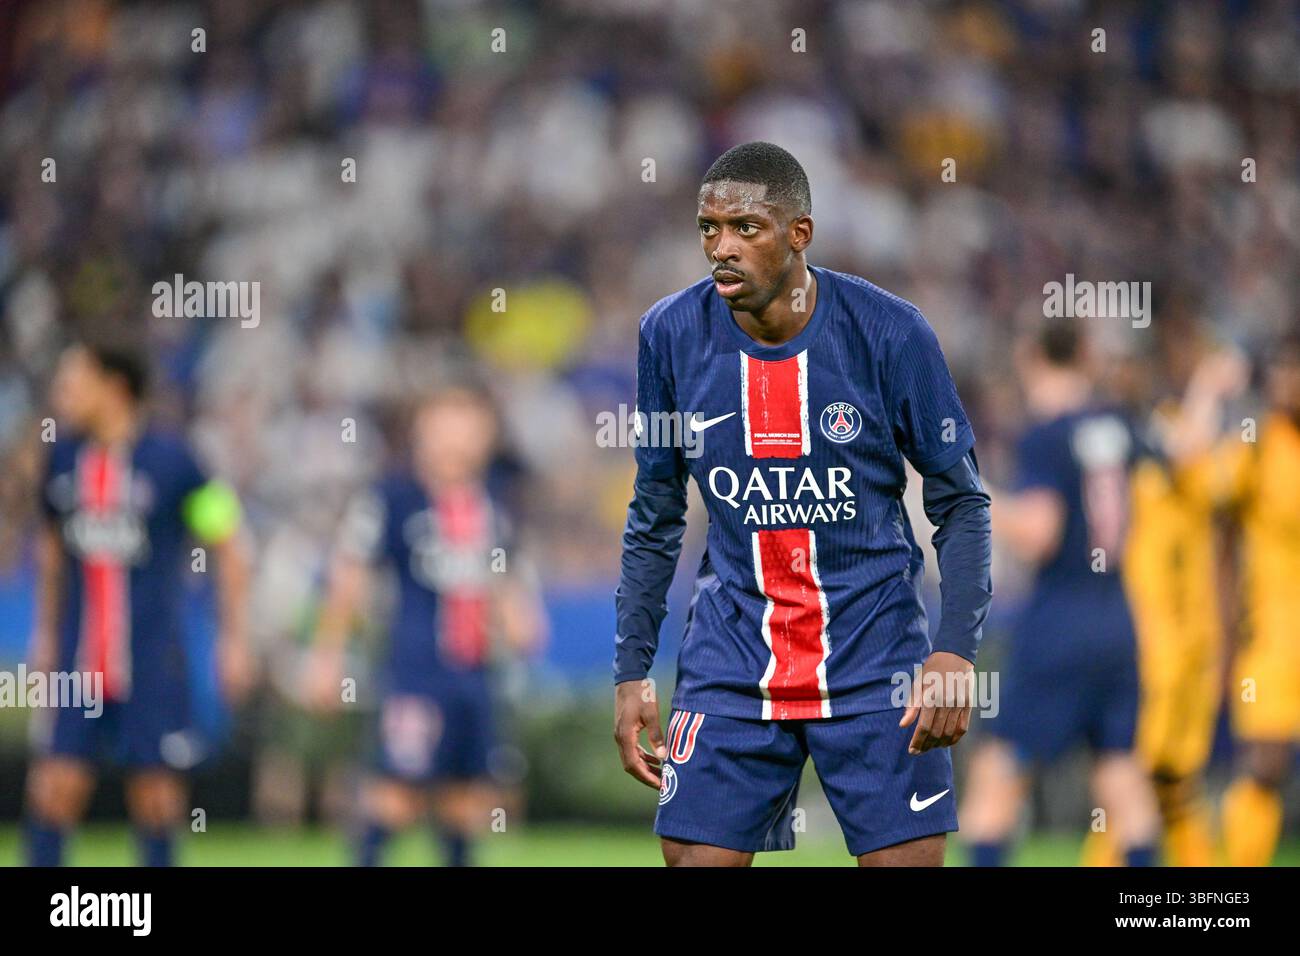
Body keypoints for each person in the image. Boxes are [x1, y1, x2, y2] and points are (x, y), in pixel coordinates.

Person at [613, 141, 992, 866]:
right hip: (732, 660)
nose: (721, 248)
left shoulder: (890, 332)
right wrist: (632, 669)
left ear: (799, 233)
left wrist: (954, 651)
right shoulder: (669, 333)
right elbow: (654, 514)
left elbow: (962, 504)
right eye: (708, 228)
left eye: (745, 228)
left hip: (875, 659)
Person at [25, 330, 252, 867]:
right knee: (56, 786)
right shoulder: (63, 460)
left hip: (152, 657)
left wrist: (233, 638)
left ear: (114, 387)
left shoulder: (174, 460)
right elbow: (53, 552)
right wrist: (46, 634)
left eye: (75, 380)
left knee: (156, 795)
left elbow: (229, 544)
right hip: (80, 660)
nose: (63, 392)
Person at [307, 384, 544, 866]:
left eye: (471, 425)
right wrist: (327, 655)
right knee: (396, 794)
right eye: (447, 424)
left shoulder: (492, 503)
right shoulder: (393, 498)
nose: (459, 438)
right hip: (414, 672)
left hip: (474, 674)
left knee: (464, 802)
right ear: (423, 431)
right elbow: (349, 573)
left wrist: (521, 616)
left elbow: (504, 575)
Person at [960, 322, 1159, 866]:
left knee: (997, 775)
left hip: (1060, 621)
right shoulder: (1116, 425)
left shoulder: (1046, 435)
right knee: (1120, 773)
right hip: (1117, 616)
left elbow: (1039, 532)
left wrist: (972, 496)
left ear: (1032, 357)